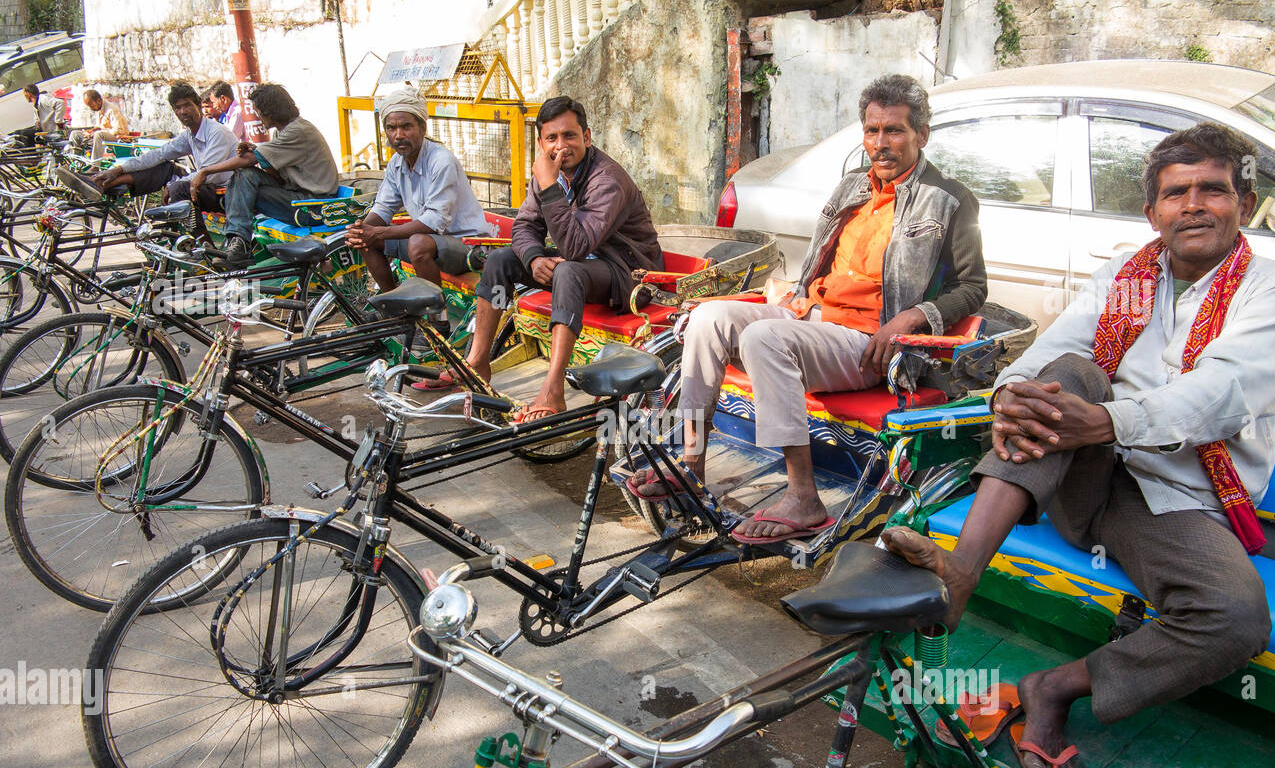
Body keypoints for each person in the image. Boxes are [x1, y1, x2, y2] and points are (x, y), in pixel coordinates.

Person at [882, 122, 1275, 768]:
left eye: (1212, 190)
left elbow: (1223, 392)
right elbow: (1051, 356)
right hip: (1081, 473)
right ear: (1152, 213)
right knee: (1063, 375)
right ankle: (959, 579)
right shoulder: (1129, 277)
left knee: (1236, 617)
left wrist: (1105, 419)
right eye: (1176, 193)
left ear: (1242, 204)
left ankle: (1054, 686)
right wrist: (1014, 397)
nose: (1194, 204)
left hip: (1180, 499)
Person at [629, 74, 987, 543]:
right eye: (872, 131)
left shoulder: (949, 200)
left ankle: (803, 496)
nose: (881, 143)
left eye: (894, 131)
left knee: (762, 337)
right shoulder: (851, 187)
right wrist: (794, 292)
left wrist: (910, 317)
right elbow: (817, 266)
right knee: (708, 317)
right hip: (810, 319)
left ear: (922, 134)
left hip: (870, 345)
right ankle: (692, 461)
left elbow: (972, 287)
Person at [465, 95, 663, 423]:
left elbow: (574, 247)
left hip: (629, 274)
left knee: (568, 271)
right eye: (552, 138)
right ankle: (478, 360)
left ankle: (552, 390)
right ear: (542, 143)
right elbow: (526, 225)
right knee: (500, 260)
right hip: (581, 263)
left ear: (586, 136)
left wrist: (547, 185)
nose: (561, 146)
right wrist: (532, 259)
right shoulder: (548, 172)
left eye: (570, 136)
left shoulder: (607, 178)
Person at [345, 87, 488, 294]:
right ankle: (392, 304)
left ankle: (436, 316)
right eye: (391, 128)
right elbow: (384, 207)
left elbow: (434, 221)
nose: (398, 135)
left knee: (417, 243)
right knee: (369, 241)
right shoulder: (396, 164)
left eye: (406, 127)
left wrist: (379, 231)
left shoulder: (441, 161)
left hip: (467, 248)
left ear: (422, 127)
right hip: (427, 242)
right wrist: (362, 231)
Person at [194, 83, 339, 264]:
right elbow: (274, 172)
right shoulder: (282, 132)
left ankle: (239, 244)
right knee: (244, 176)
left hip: (312, 206)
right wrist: (257, 152)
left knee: (245, 181)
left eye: (259, 112)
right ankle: (237, 242)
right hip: (297, 197)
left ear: (270, 112)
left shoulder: (298, 131)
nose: (258, 117)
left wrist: (206, 171)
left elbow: (248, 160)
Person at [91, 81, 237, 209]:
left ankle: (195, 238)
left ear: (198, 105)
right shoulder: (189, 134)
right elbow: (159, 154)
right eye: (178, 108)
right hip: (206, 186)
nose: (183, 112)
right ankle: (104, 182)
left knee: (178, 188)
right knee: (163, 167)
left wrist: (171, 186)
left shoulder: (216, 132)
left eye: (188, 105)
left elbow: (206, 174)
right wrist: (120, 169)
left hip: (225, 191)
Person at [74, 89, 129, 161]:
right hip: (103, 134)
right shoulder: (98, 108)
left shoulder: (112, 109)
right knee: (75, 134)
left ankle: (95, 164)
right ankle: (75, 160)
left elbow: (118, 130)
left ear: (99, 101)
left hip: (119, 137)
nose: (90, 108)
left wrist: (95, 133)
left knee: (98, 135)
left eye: (91, 106)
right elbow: (100, 126)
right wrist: (91, 131)